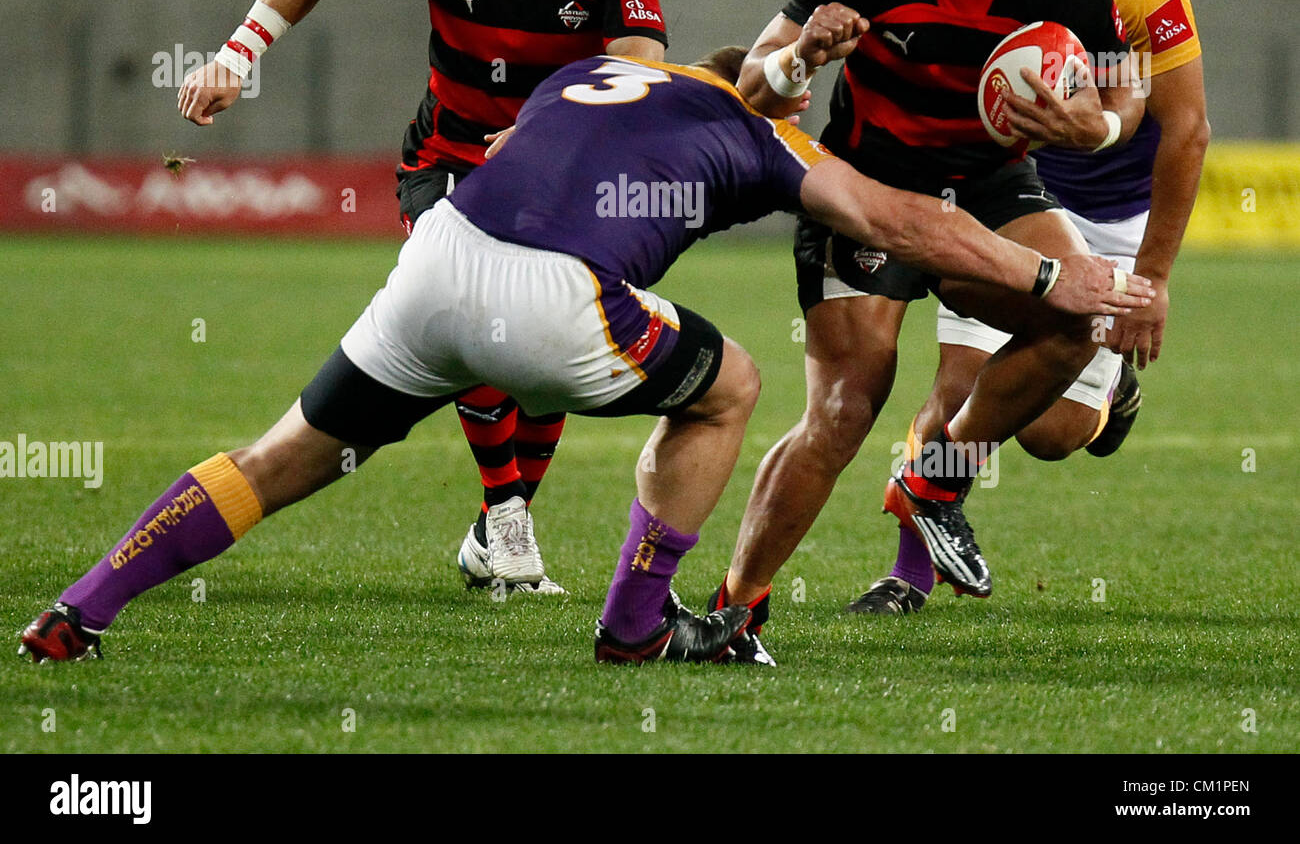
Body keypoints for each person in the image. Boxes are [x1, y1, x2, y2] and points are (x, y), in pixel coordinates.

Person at [19, 47, 1151, 667]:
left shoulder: (588, 76)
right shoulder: (760, 136)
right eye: (781, 78)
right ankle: (633, 624)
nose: (790, 85)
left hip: (438, 257)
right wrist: (1054, 280)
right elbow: (903, 221)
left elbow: (513, 149)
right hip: (552, 297)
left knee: (280, 456)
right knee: (732, 386)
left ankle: (82, 607)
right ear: (744, 84)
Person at [176, 0, 668, 596]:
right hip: (448, 160)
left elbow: (643, 60)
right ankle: (507, 514)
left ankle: (492, 533)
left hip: (557, 173)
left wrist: (548, 124)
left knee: (551, 354)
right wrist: (237, 55)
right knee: (469, 317)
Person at [710, 0, 1148, 652]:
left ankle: (937, 479)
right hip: (867, 190)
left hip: (988, 185)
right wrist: (804, 56)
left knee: (1085, 314)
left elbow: (1126, 88)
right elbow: (754, 88)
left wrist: (1093, 128)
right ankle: (735, 610)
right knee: (844, 409)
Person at [854, 0, 1211, 616]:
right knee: (953, 387)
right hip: (1007, 188)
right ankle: (911, 564)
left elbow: (1187, 128)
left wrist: (1153, 279)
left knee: (1053, 434)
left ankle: (1107, 394)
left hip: (1116, 204)